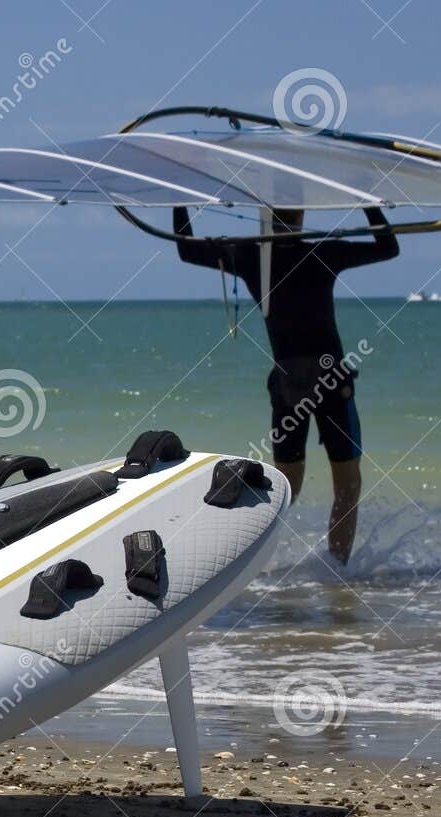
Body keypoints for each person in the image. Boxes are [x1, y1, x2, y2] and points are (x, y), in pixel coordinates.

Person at [173, 205, 398, 564]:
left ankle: (234, 555)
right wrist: (369, 204)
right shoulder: (320, 250)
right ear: (301, 216)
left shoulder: (249, 254)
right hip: (329, 381)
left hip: (291, 385)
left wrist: (179, 202)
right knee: (341, 483)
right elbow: (388, 248)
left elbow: (185, 247)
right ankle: (335, 570)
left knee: (287, 486)